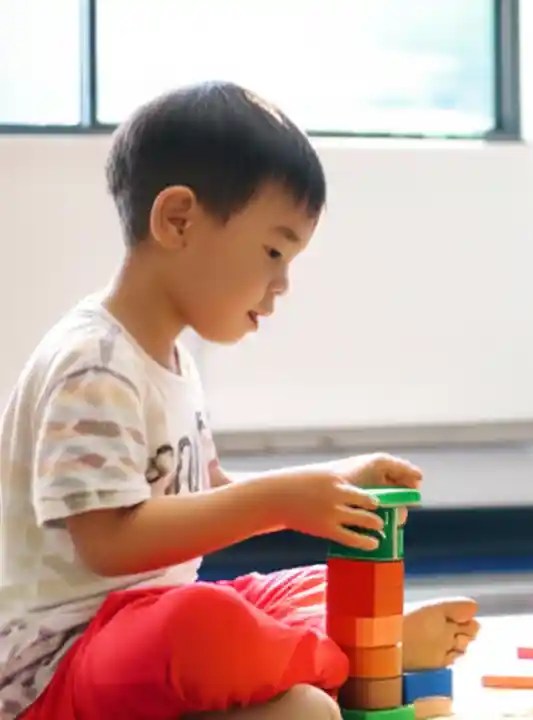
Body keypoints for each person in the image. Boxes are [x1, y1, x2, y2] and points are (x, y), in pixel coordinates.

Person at [0, 82, 480, 720]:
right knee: (201, 623)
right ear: (178, 220)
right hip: (59, 669)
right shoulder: (94, 365)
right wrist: (281, 502)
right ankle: (353, 660)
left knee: (309, 590)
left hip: (143, 639)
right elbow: (109, 543)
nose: (281, 284)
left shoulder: (169, 358)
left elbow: (204, 490)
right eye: (274, 251)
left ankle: (329, 666)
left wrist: (329, 483)